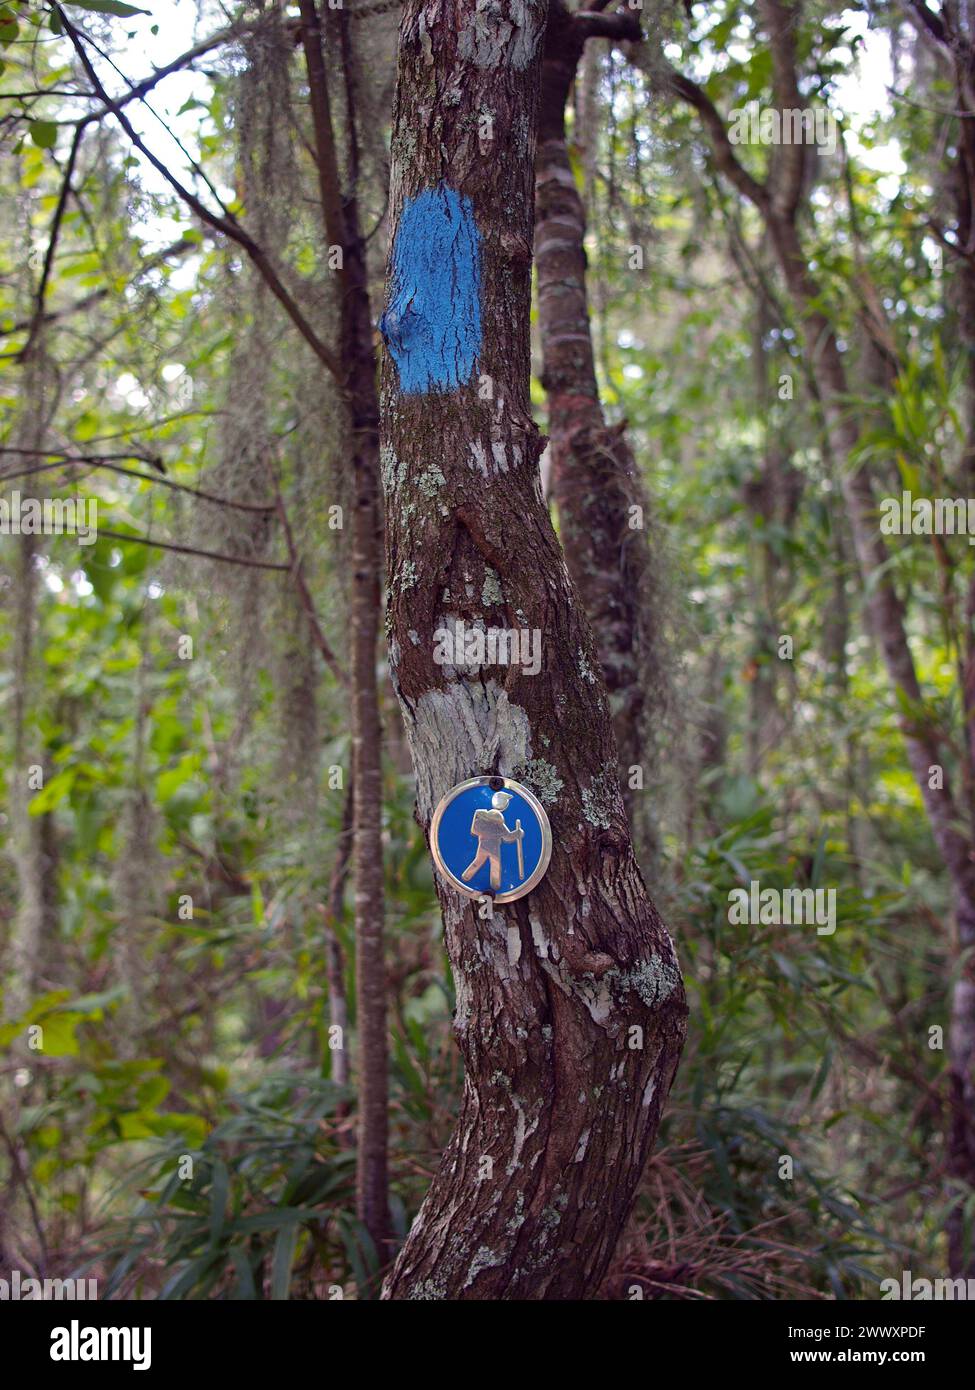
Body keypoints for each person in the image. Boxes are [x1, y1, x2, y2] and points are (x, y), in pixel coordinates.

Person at [461, 790, 523, 891]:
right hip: (493, 848)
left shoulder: (482, 821)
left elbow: (474, 830)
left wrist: (517, 833)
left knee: (479, 861)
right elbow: (508, 836)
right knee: (495, 864)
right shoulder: (499, 825)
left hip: (484, 846)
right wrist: (517, 833)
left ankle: (467, 876)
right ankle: (495, 884)